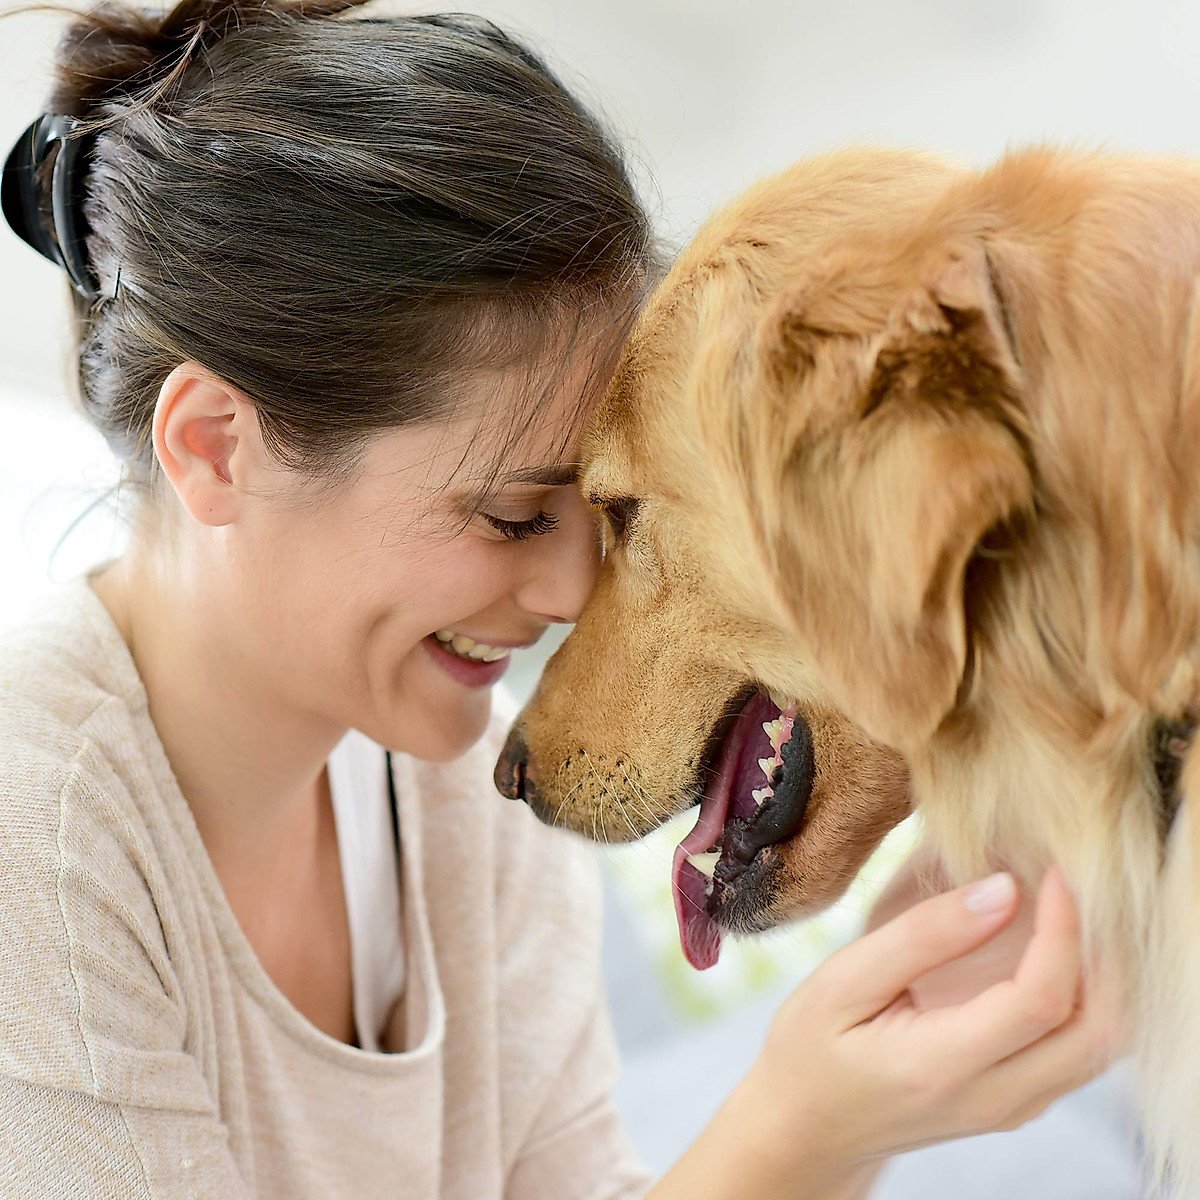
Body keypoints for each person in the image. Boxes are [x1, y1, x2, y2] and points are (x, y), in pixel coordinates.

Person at [0, 1, 1120, 1197]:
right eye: (514, 517)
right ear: (218, 446)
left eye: (605, 515)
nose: (576, 590)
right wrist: (802, 1131)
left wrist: (872, 1077)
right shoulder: (37, 854)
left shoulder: (453, 805)